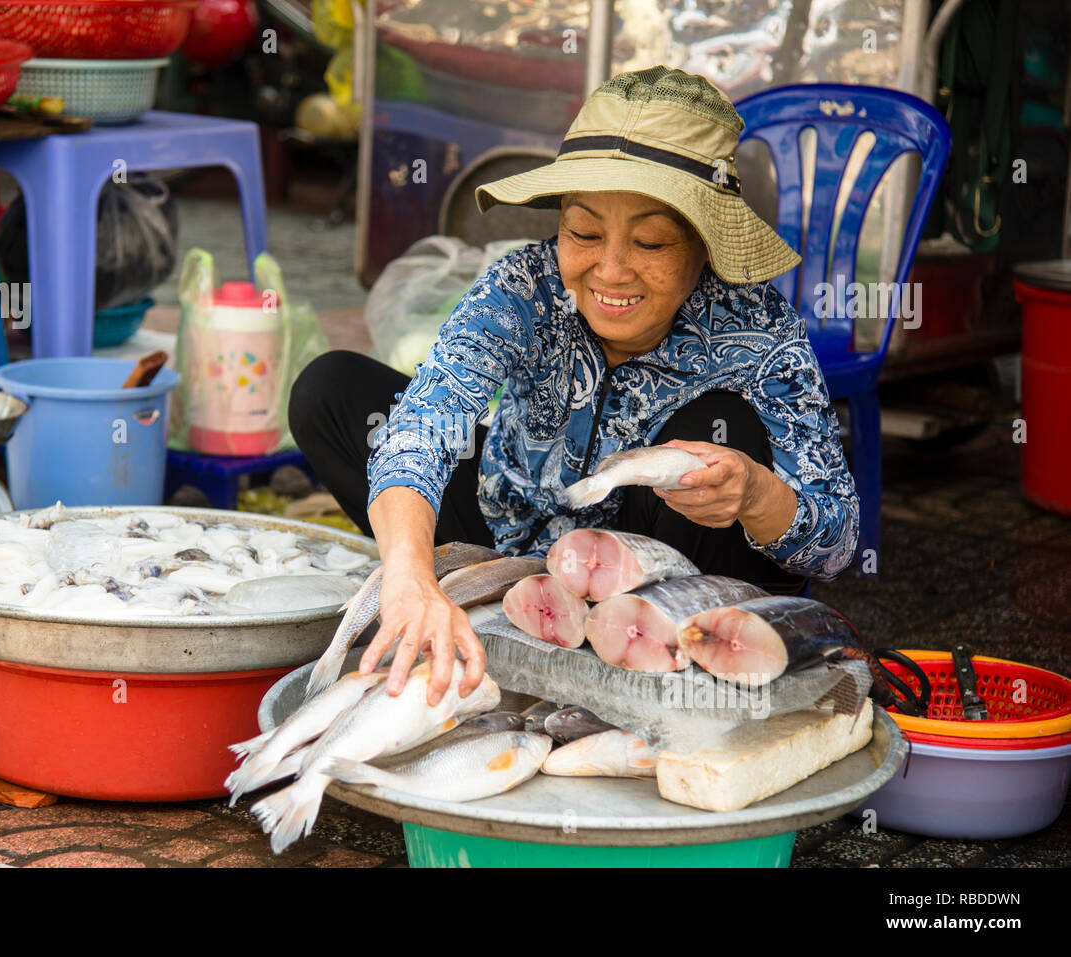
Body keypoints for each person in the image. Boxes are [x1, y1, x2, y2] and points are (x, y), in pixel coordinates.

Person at [290, 66, 858, 706]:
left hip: (662, 584)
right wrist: (408, 575)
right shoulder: (524, 286)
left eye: (650, 241)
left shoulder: (760, 333)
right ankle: (474, 598)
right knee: (330, 389)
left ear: (705, 245)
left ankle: (650, 669)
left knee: (724, 427)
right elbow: (425, 423)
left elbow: (835, 543)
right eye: (584, 232)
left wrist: (754, 493)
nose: (610, 270)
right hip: (507, 538)